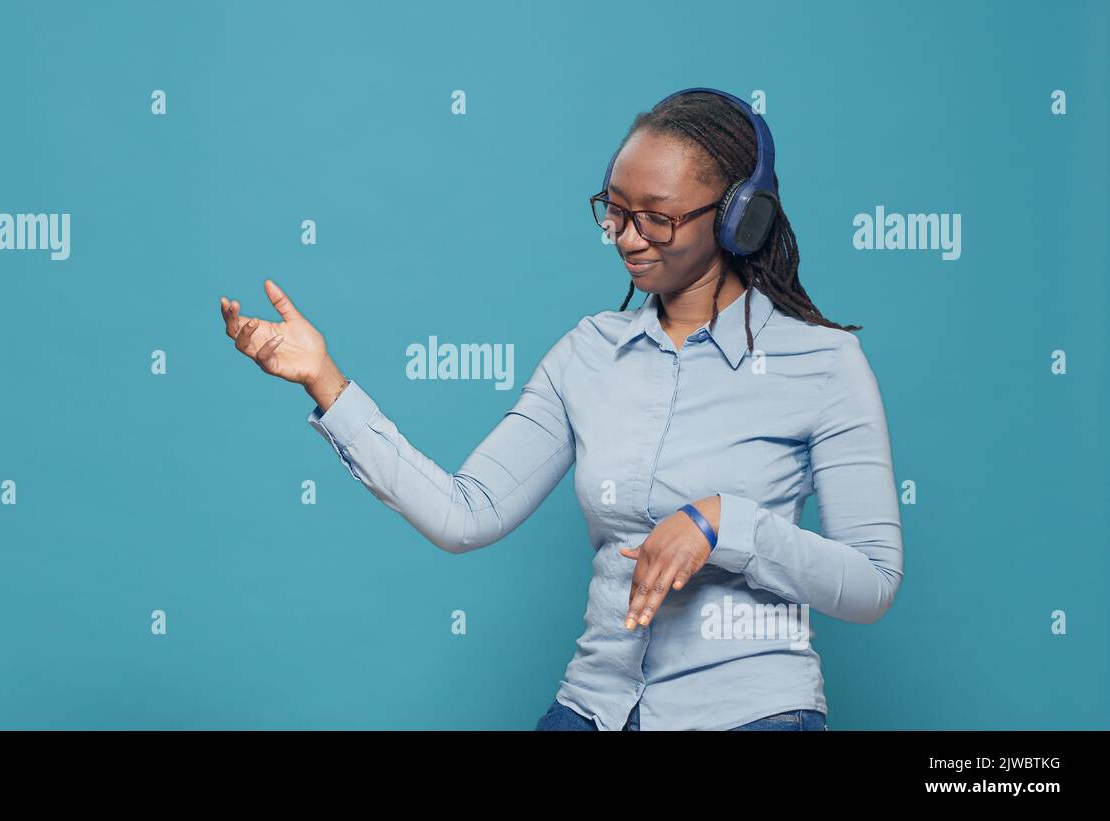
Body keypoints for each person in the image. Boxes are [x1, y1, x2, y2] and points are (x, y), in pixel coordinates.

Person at [218, 91, 902, 731]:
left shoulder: (821, 363)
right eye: (615, 211)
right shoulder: (588, 353)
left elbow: (872, 584)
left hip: (750, 712)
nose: (628, 237)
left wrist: (729, 523)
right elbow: (467, 512)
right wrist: (326, 381)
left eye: (656, 218)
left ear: (738, 217)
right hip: (594, 707)